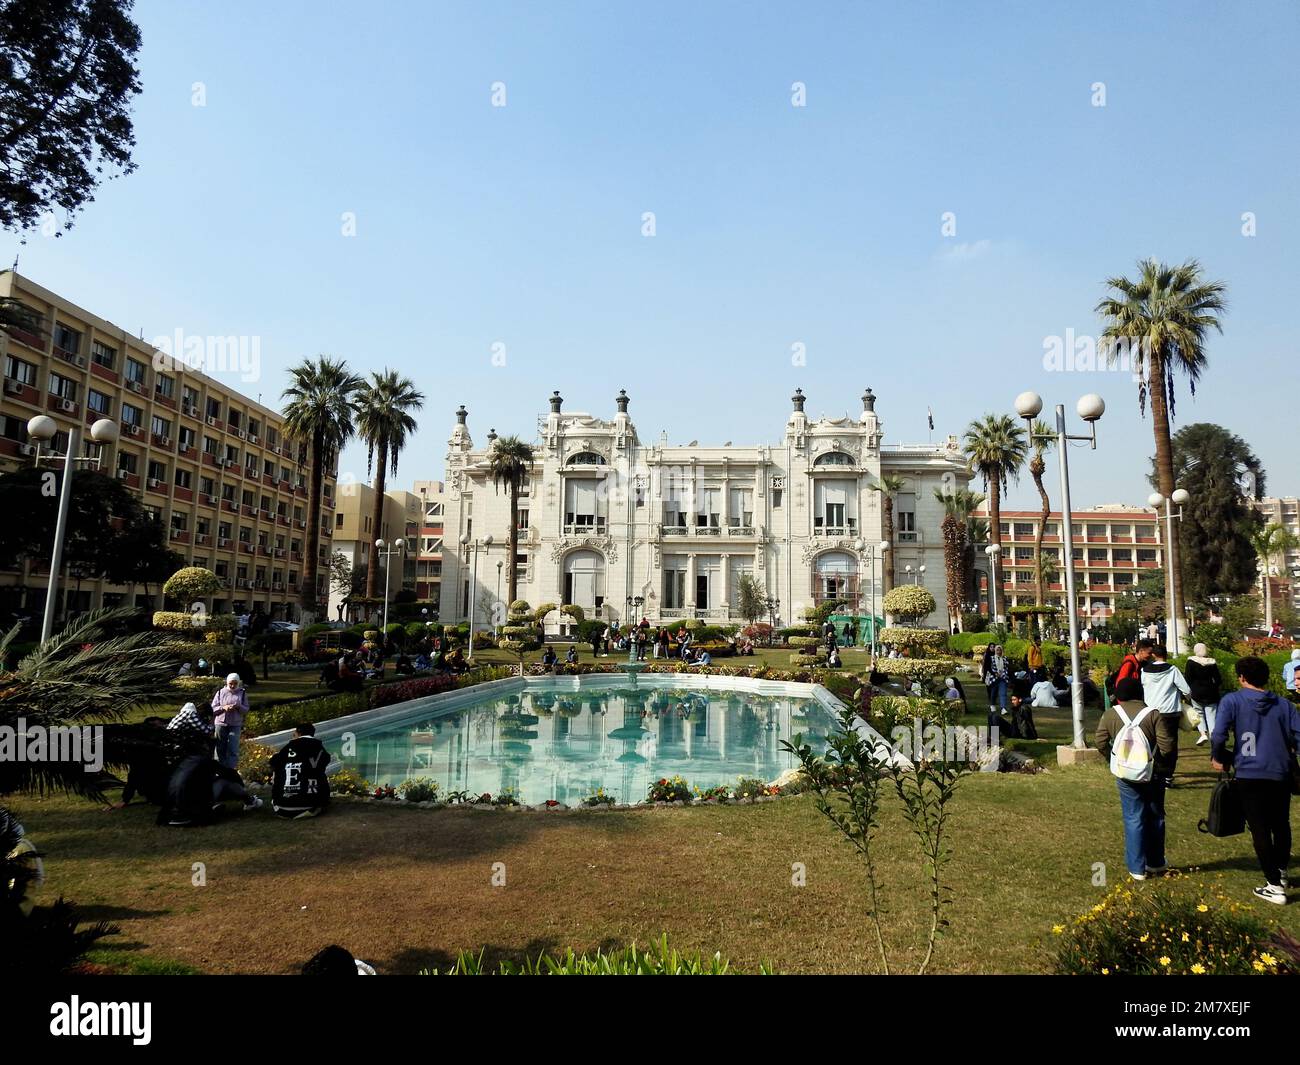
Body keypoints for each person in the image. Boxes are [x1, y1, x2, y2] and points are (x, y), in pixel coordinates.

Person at [1211, 656, 1300, 905]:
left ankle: (1273, 885)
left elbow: (1219, 734)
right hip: (1279, 770)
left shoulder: (1233, 701)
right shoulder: (1284, 705)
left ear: (1241, 678)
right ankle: (1280, 873)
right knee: (1281, 824)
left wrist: (1219, 756)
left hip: (1249, 772)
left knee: (1259, 827)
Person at [1094, 677, 1175, 881]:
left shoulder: (1111, 714)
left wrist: (1112, 757)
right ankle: (1155, 862)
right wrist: (1160, 766)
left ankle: (1136, 868)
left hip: (1125, 774)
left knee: (1133, 817)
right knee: (1156, 815)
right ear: (1141, 693)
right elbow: (1166, 747)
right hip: (1152, 772)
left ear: (1119, 696)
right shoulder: (1153, 715)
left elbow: (1100, 741)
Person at [1141, 646, 1190, 788]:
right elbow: (1186, 689)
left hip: (1150, 712)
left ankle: (1151, 773)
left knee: (1151, 743)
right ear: (1166, 655)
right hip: (1169, 713)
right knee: (1170, 745)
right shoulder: (1173, 670)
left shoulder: (1144, 671)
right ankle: (1167, 776)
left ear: (1154, 655)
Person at [270, 723, 332, 819]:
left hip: (282, 808)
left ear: (297, 733)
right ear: (312, 734)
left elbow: (273, 762)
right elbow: (325, 760)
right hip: (309, 806)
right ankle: (316, 800)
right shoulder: (317, 748)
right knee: (319, 774)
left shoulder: (287, 748)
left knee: (278, 769)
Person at [1185, 643, 1223, 747]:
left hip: (1196, 692)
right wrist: (1214, 687)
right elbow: (1218, 679)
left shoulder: (1191, 662)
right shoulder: (1211, 662)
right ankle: (1213, 735)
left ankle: (1203, 734)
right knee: (1212, 715)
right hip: (1211, 692)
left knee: (1199, 713)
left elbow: (1188, 678)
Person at [983, 644, 1011, 718]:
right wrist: (995, 673)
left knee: (1003, 693)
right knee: (994, 692)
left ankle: (1003, 708)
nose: (999, 651)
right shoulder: (991, 658)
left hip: (1003, 678)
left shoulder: (1004, 658)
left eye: (1000, 650)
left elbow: (1007, 668)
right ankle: (992, 705)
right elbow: (989, 667)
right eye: (997, 650)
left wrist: (1003, 674)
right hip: (994, 678)